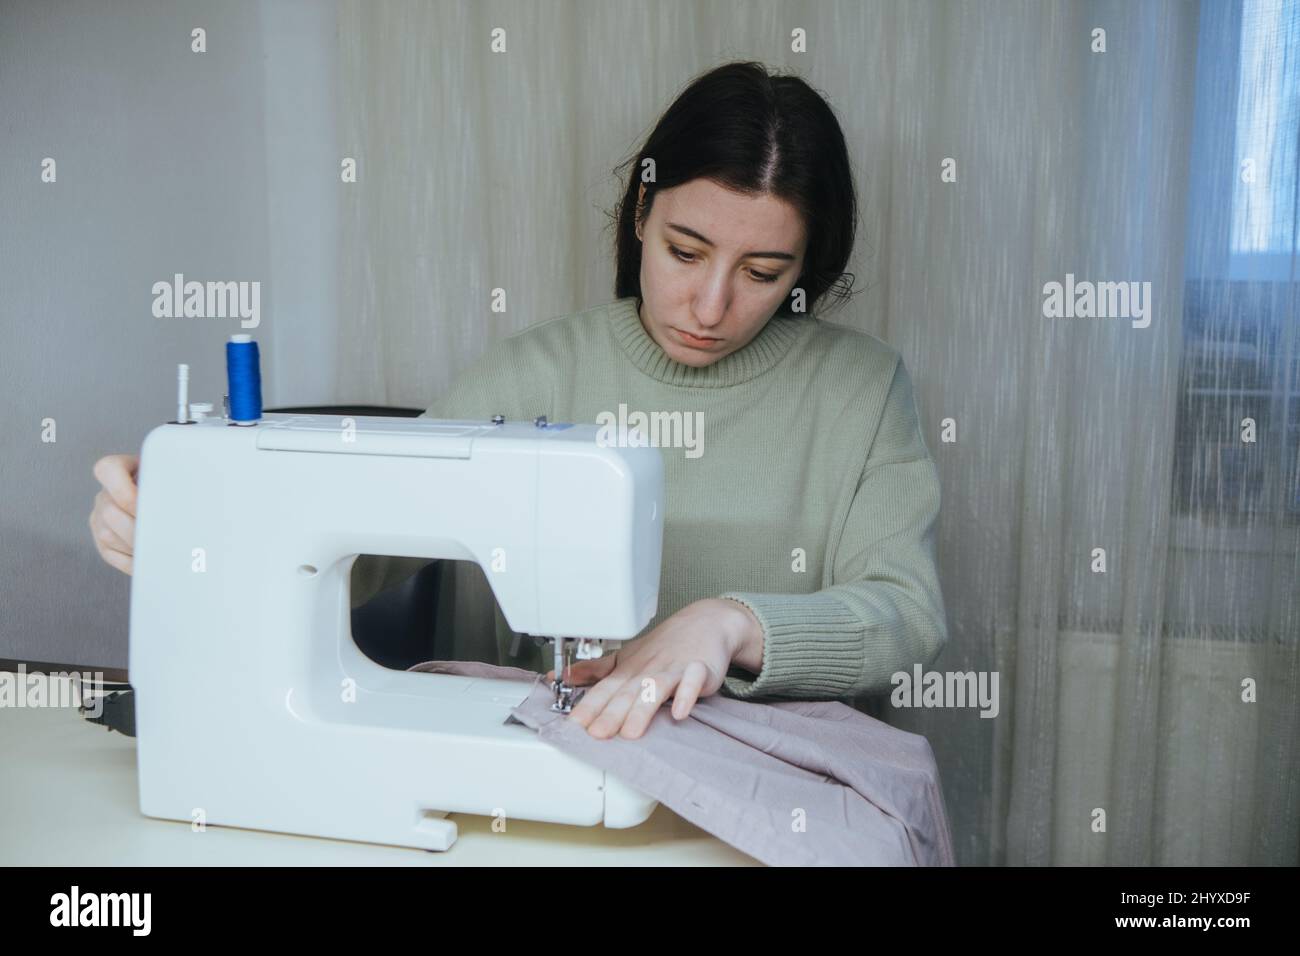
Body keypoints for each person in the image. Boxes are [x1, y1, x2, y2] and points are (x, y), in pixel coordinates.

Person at [89, 60, 948, 742]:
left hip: (771, 778)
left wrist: (729, 626)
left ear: (809, 270)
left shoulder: (862, 391)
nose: (712, 305)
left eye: (763, 274)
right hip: (577, 749)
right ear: (642, 212)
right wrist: (196, 521)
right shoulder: (530, 374)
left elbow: (905, 614)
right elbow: (367, 542)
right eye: (687, 252)